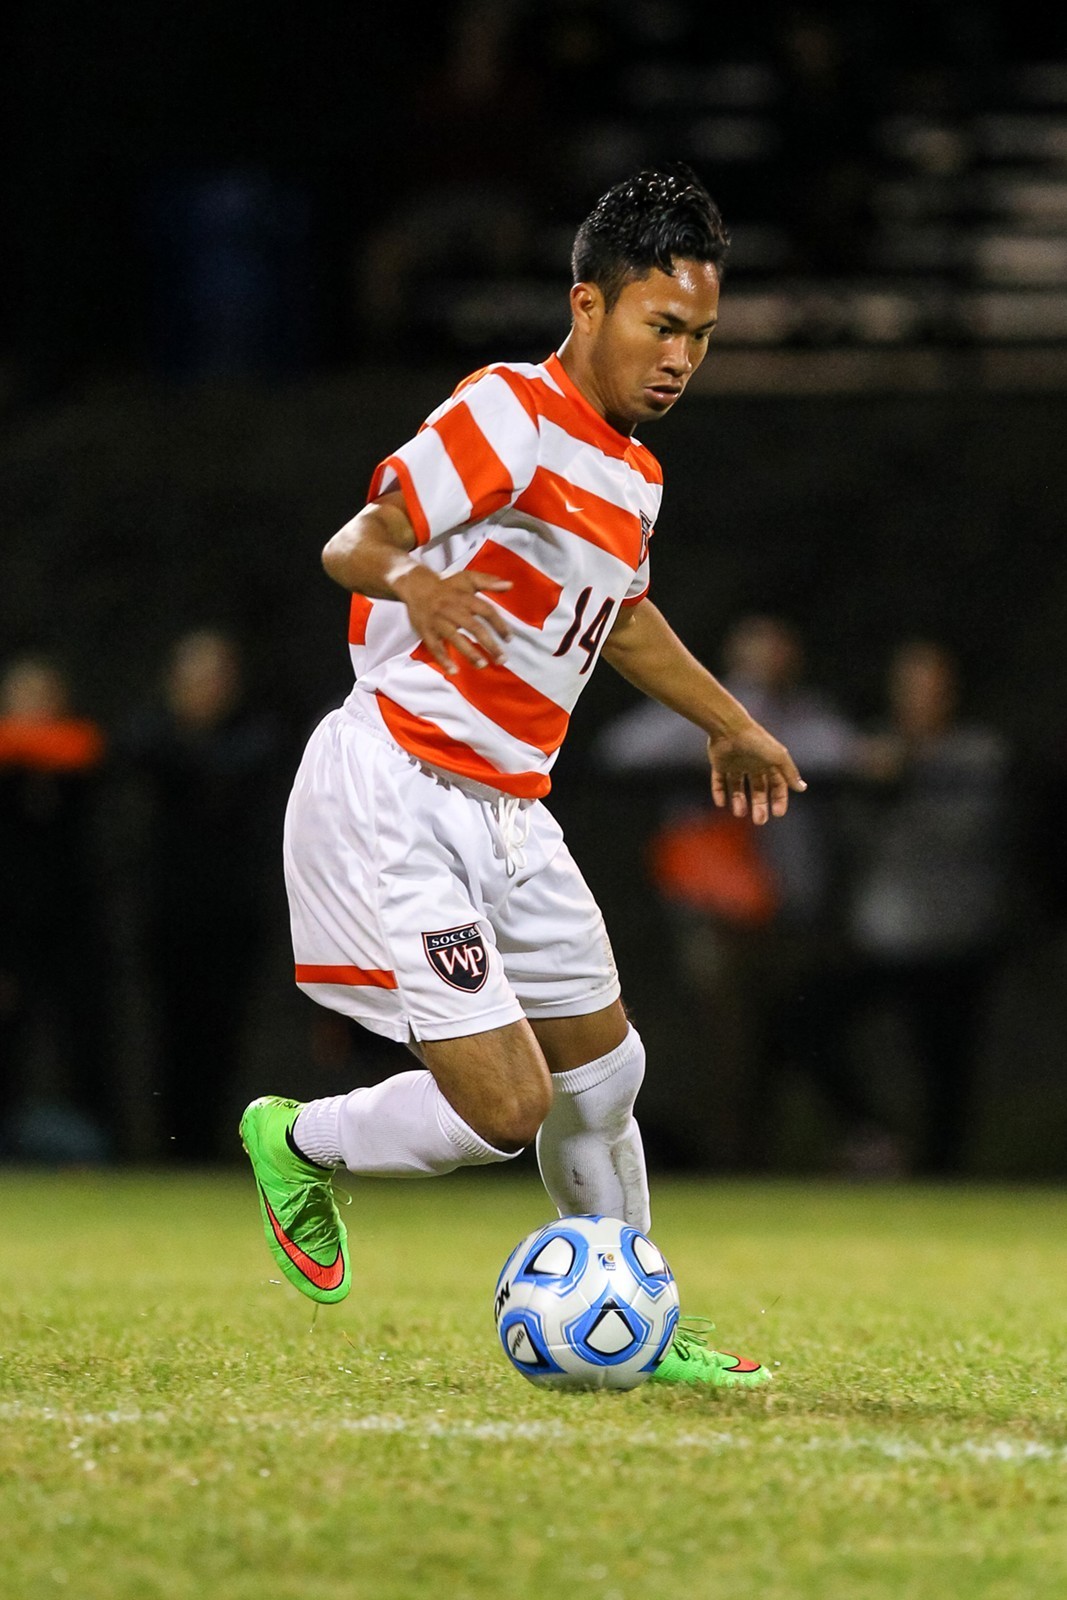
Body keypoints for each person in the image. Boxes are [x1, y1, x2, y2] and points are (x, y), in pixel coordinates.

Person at [239, 165, 805, 1387]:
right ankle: (296, 1139)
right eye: (663, 326)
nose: (680, 359)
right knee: (505, 1110)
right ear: (587, 305)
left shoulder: (633, 473)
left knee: (603, 1077)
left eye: (700, 337)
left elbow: (624, 617)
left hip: (508, 804)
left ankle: (635, 1325)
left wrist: (727, 720)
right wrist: (416, 581)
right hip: (398, 784)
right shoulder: (507, 411)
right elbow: (358, 539)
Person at [594, 612, 893, 1173]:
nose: (769, 663)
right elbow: (620, 749)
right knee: (727, 1039)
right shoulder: (699, 707)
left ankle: (768, 1156)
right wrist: (716, 727)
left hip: (787, 917)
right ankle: (727, 1162)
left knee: (792, 1032)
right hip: (718, 916)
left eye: (779, 651)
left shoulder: (804, 715)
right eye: (756, 652)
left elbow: (849, 756)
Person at [836, 638, 1014, 1176]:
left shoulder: (977, 753)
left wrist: (906, 775)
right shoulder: (871, 751)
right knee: (811, 1020)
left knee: (946, 1069)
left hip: (954, 938)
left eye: (931, 688)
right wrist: (869, 784)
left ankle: (943, 1179)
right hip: (883, 936)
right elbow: (850, 839)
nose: (920, 699)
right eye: (910, 687)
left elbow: (967, 837)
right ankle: (875, 1134)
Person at [120, 629, 286, 1161]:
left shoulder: (253, 737)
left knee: (223, 1040)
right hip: (171, 920)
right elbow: (135, 748)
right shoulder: (156, 736)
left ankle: (208, 1149)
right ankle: (171, 1149)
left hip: (232, 921)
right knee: (170, 1038)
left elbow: (241, 762)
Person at [0, 654, 121, 1159]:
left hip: (73, 932)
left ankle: (104, 1153)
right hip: (9, 935)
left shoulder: (77, 769)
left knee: (86, 1042)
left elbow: (84, 749)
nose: (35, 709)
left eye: (45, 697)